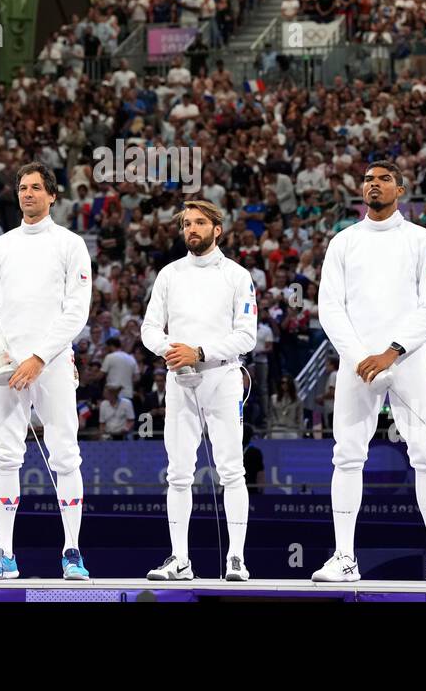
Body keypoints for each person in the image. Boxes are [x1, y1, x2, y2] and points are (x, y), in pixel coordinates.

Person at [313, 161, 426, 585]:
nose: (374, 185)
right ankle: (344, 558)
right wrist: (361, 356)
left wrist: (391, 351)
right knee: (347, 455)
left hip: (408, 360)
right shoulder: (343, 242)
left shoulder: (420, 239)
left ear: (400, 189)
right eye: (368, 180)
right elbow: (330, 307)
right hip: (357, 363)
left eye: (383, 180)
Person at [0, 162, 93, 581]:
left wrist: (39, 357)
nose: (28, 193)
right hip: (8, 367)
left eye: (37, 187)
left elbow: (77, 309)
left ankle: (72, 553)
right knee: (6, 456)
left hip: (52, 364)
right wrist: (0, 353)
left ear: (52, 195)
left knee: (65, 455)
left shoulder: (70, 244)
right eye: (23, 187)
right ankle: (4, 555)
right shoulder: (2, 246)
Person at [141, 199, 256, 582]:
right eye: (187, 223)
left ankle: (236, 558)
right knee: (178, 473)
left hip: (222, 378)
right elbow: (149, 329)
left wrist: (201, 352)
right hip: (180, 379)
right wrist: (173, 352)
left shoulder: (237, 275)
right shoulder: (170, 274)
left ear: (216, 229)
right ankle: (180, 559)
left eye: (200, 223)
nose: (191, 229)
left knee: (232, 471)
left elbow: (247, 335)